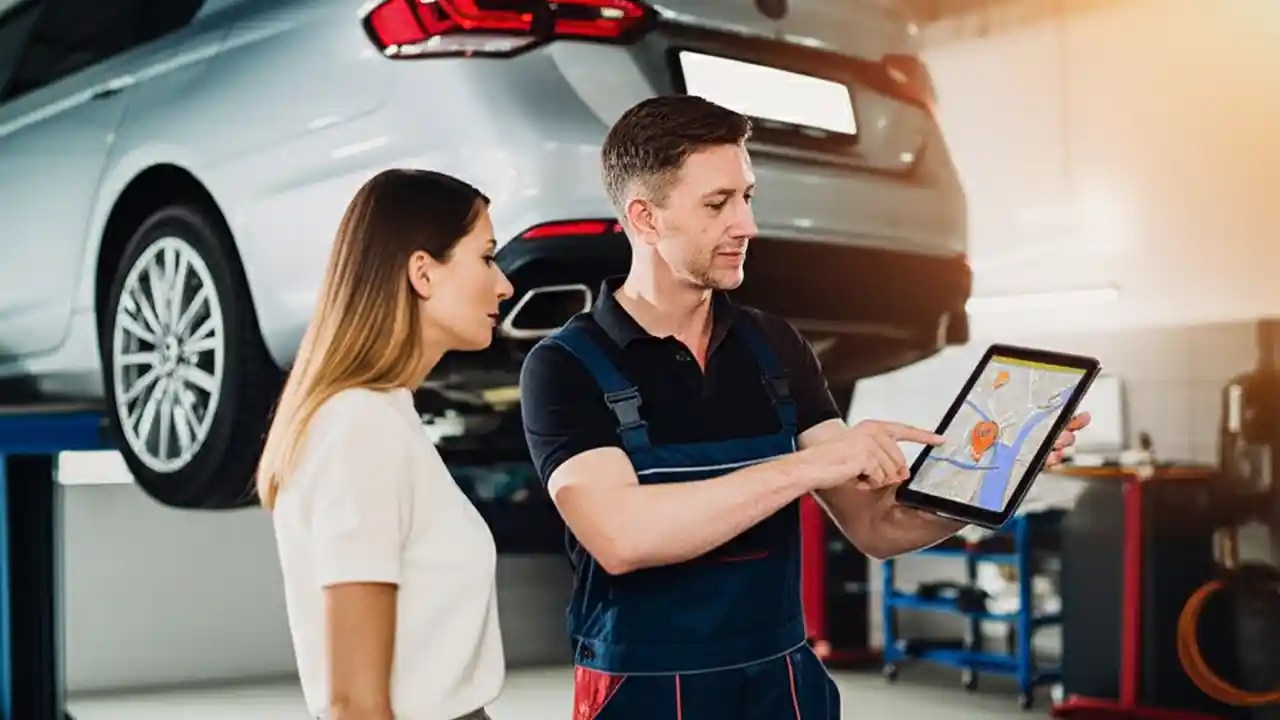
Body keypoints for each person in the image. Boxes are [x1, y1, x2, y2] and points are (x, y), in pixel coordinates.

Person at [519, 95, 1091, 718]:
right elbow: (623, 537)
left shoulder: (774, 346)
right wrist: (808, 467)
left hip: (783, 682)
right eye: (718, 204)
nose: (747, 225)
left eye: (747, 197)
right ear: (646, 218)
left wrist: (997, 473)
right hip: (645, 689)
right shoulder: (564, 365)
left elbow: (876, 527)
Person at [257, 169, 513, 720]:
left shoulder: (384, 416)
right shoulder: (357, 427)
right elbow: (355, 702)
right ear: (422, 272)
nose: (504, 285)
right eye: (487, 258)